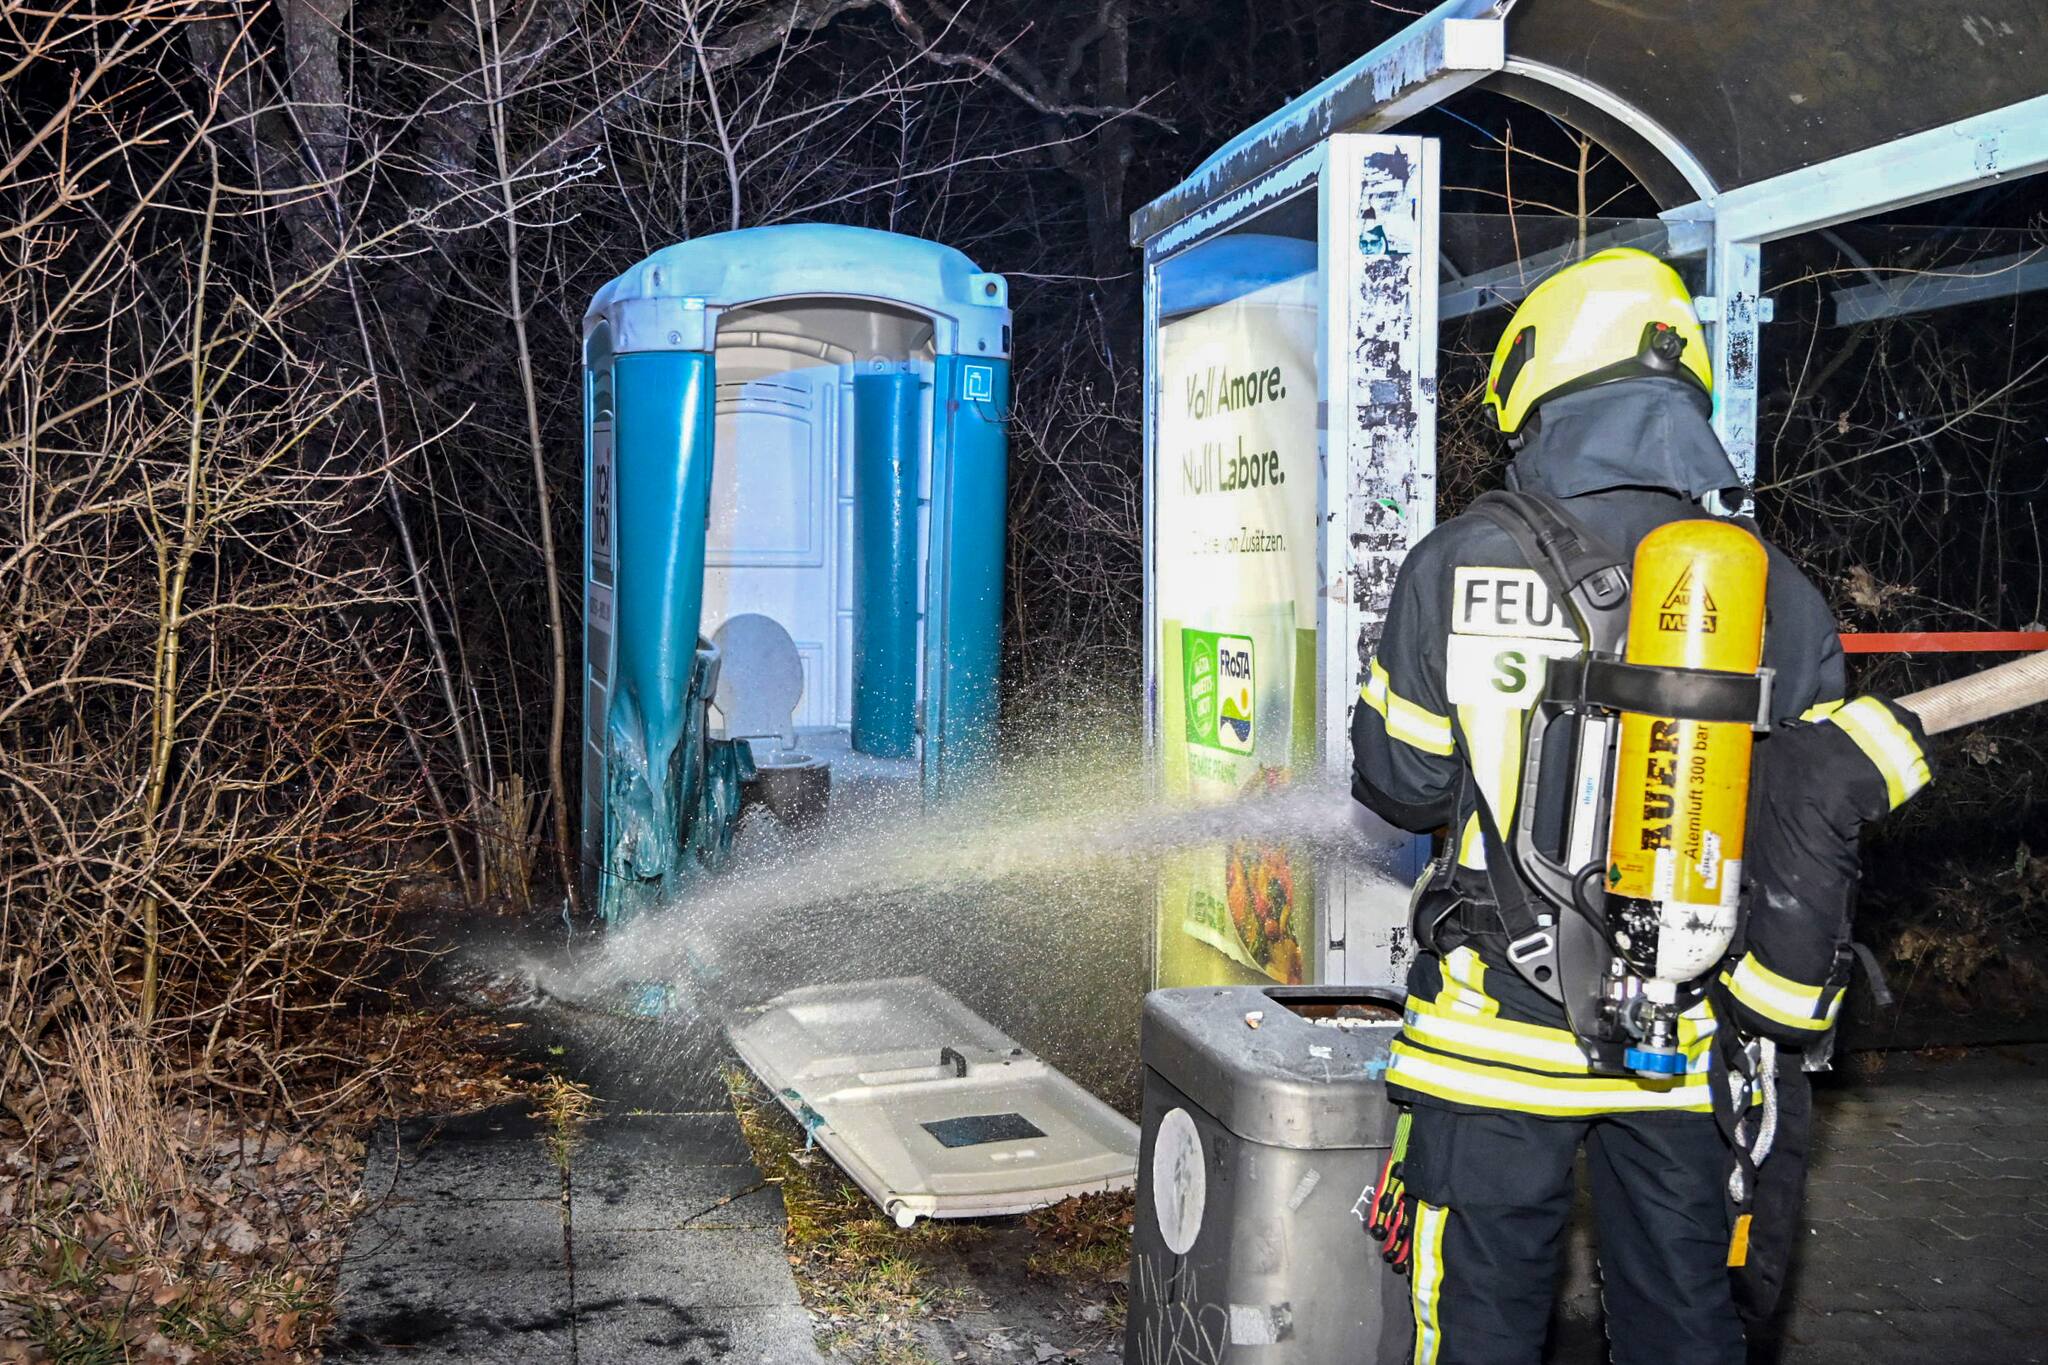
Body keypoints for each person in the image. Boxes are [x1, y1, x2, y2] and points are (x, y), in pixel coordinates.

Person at [1350, 248, 1935, 1365]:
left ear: (1538, 373)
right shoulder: (1767, 587)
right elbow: (1796, 817)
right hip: (1683, 1037)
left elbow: (1400, 782)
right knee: (1682, 1326)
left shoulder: (1462, 560)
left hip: (1490, 1041)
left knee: (1474, 1325)